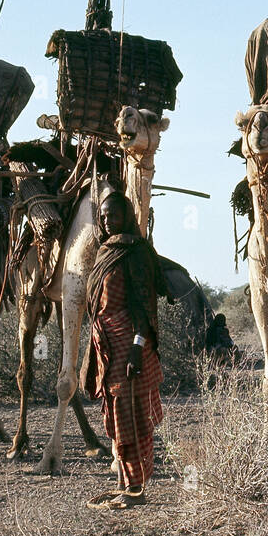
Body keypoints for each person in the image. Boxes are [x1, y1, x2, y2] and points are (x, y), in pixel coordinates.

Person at [83, 191, 166, 509]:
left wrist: (136, 350)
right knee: (117, 417)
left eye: (113, 214)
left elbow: (145, 308)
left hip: (130, 346)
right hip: (108, 345)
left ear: (127, 215)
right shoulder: (106, 251)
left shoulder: (136, 252)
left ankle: (135, 489)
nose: (107, 220)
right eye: (103, 216)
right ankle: (124, 483)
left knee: (131, 418)